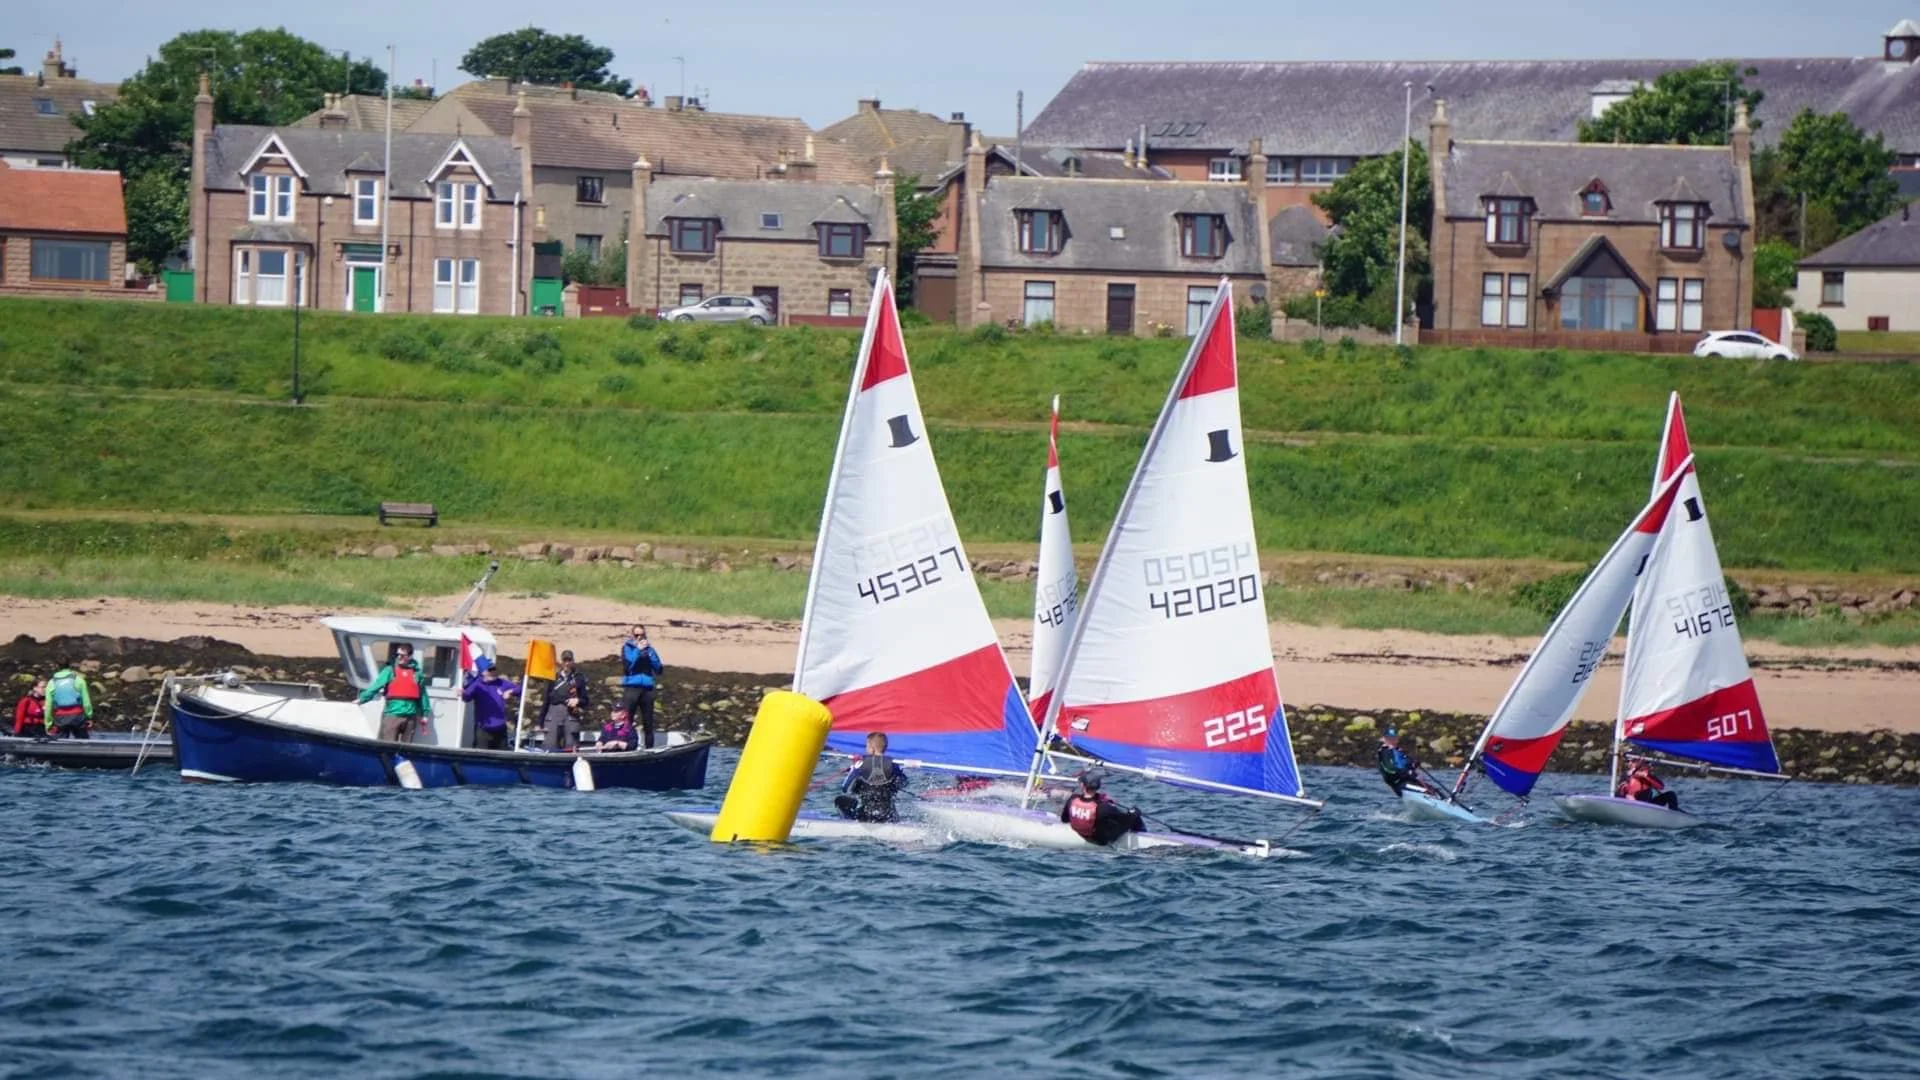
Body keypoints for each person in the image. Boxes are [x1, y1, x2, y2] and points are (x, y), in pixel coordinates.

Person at [358, 643, 427, 744]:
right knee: (386, 745)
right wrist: (362, 699)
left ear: (410, 656)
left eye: (402, 655)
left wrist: (425, 714)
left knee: (406, 747)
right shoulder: (389, 670)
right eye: (397, 655)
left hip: (410, 717)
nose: (399, 657)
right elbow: (375, 686)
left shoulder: (417, 674)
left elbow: (423, 695)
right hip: (392, 714)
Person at [835, 732, 910, 822]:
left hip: (866, 814)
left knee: (839, 800)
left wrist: (853, 769)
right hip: (888, 814)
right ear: (885, 748)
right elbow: (904, 783)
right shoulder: (893, 766)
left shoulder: (860, 765)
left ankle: (848, 822)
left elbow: (844, 788)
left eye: (867, 746)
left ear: (872, 749)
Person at [1059, 769, 1145, 846]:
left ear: (1082, 785)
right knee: (1134, 814)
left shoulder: (1072, 799)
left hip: (1081, 834)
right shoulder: (1104, 808)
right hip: (1101, 841)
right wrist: (1134, 812)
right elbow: (1124, 819)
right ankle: (1144, 836)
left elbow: (1064, 819)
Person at [619, 625, 664, 749]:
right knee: (627, 720)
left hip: (647, 688)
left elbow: (658, 668)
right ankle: (626, 747)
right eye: (636, 635)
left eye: (642, 635)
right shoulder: (627, 648)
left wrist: (649, 652)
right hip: (632, 687)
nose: (639, 637)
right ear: (632, 636)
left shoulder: (650, 649)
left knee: (648, 722)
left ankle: (650, 749)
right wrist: (638, 650)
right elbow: (628, 666)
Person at [461, 658, 517, 751]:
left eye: (494, 669)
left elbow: (520, 689)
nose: (493, 672)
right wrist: (462, 693)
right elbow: (466, 698)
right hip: (483, 729)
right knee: (480, 756)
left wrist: (511, 691)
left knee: (501, 757)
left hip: (500, 728)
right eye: (490, 669)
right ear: (483, 672)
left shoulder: (502, 683)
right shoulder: (477, 684)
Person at [542, 650, 590, 752]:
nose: (567, 663)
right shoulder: (552, 677)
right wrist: (540, 721)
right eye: (565, 660)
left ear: (573, 661)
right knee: (549, 746)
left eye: (569, 660)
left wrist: (578, 701)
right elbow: (546, 699)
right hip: (553, 714)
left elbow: (585, 700)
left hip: (571, 716)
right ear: (561, 662)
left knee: (571, 746)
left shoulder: (579, 678)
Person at [1376, 728, 1436, 797]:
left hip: (1409, 780)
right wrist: (1407, 772)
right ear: (1384, 739)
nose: (1392, 741)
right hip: (1399, 784)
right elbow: (1389, 769)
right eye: (1389, 739)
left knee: (1433, 789)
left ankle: (1444, 801)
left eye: (1394, 738)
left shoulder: (1399, 751)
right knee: (1425, 791)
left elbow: (1407, 764)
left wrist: (1413, 765)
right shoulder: (1385, 753)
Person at [44, 664, 93, 740]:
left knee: (60, 743)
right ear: (69, 666)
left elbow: (48, 706)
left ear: (57, 667)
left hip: (60, 718)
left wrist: (48, 724)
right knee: (83, 742)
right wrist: (89, 717)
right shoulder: (79, 680)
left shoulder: (51, 682)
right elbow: (86, 703)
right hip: (78, 717)